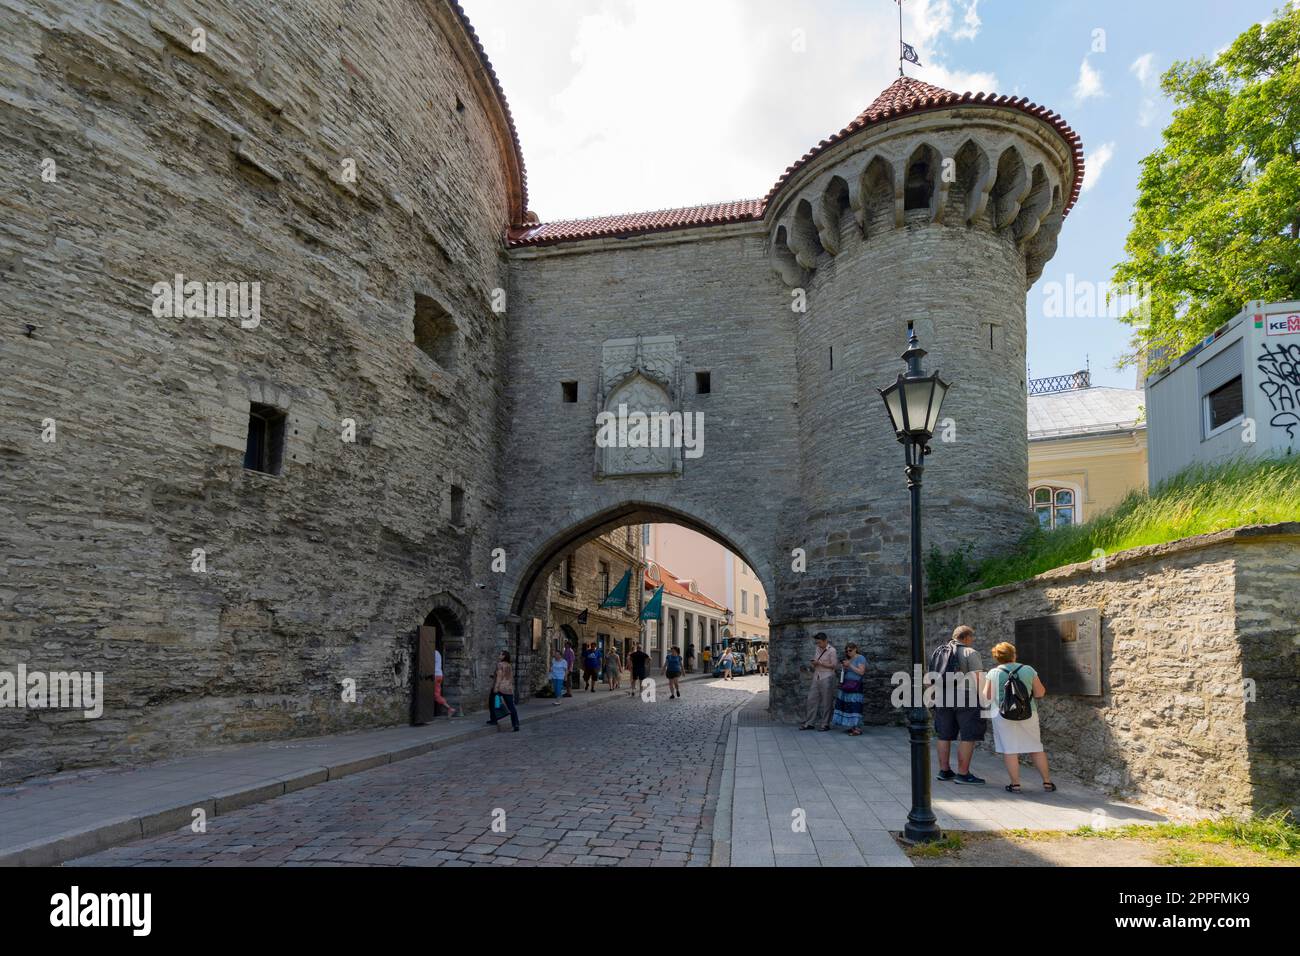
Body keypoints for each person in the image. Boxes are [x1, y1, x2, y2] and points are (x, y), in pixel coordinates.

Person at [986, 642, 1055, 793]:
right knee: (1036, 747)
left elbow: (987, 696)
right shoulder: (1028, 670)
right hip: (1028, 713)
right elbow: (1039, 693)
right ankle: (1047, 782)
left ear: (997, 657)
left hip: (1002, 715)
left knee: (1010, 750)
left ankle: (1015, 785)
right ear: (1014, 654)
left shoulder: (993, 673)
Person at [930, 624, 987, 785]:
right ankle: (963, 774)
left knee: (944, 735)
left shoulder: (939, 652)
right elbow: (978, 679)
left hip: (942, 696)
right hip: (965, 697)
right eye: (972, 638)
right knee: (968, 735)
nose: (973, 640)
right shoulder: (970, 652)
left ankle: (945, 771)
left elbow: (930, 679)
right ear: (967, 637)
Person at [799, 632, 838, 731]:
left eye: (819, 642)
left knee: (826, 702)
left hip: (827, 677)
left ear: (825, 641)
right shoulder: (817, 649)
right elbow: (816, 660)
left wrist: (820, 662)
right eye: (817, 642)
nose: (818, 644)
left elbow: (834, 665)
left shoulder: (832, 650)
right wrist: (814, 663)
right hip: (816, 676)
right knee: (811, 700)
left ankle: (825, 724)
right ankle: (809, 723)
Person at [831, 642, 867, 735]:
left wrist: (850, 665)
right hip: (847, 685)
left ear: (855, 649)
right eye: (847, 651)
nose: (848, 652)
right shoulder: (849, 659)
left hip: (855, 685)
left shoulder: (860, 658)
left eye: (850, 650)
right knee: (848, 706)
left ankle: (857, 729)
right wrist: (845, 667)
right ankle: (852, 727)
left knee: (855, 706)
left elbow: (861, 672)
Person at [488, 650, 520, 731]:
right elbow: (509, 677)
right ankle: (516, 724)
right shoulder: (509, 665)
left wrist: (496, 687)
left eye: (500, 654)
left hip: (500, 688)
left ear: (504, 656)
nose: (499, 655)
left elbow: (499, 677)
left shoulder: (500, 664)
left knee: (493, 703)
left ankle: (494, 719)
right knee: (511, 706)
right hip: (508, 688)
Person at [432, 648, 456, 718]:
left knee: (436, 695)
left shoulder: (432, 653)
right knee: (435, 693)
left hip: (435, 675)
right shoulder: (438, 653)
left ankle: (449, 708)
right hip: (439, 674)